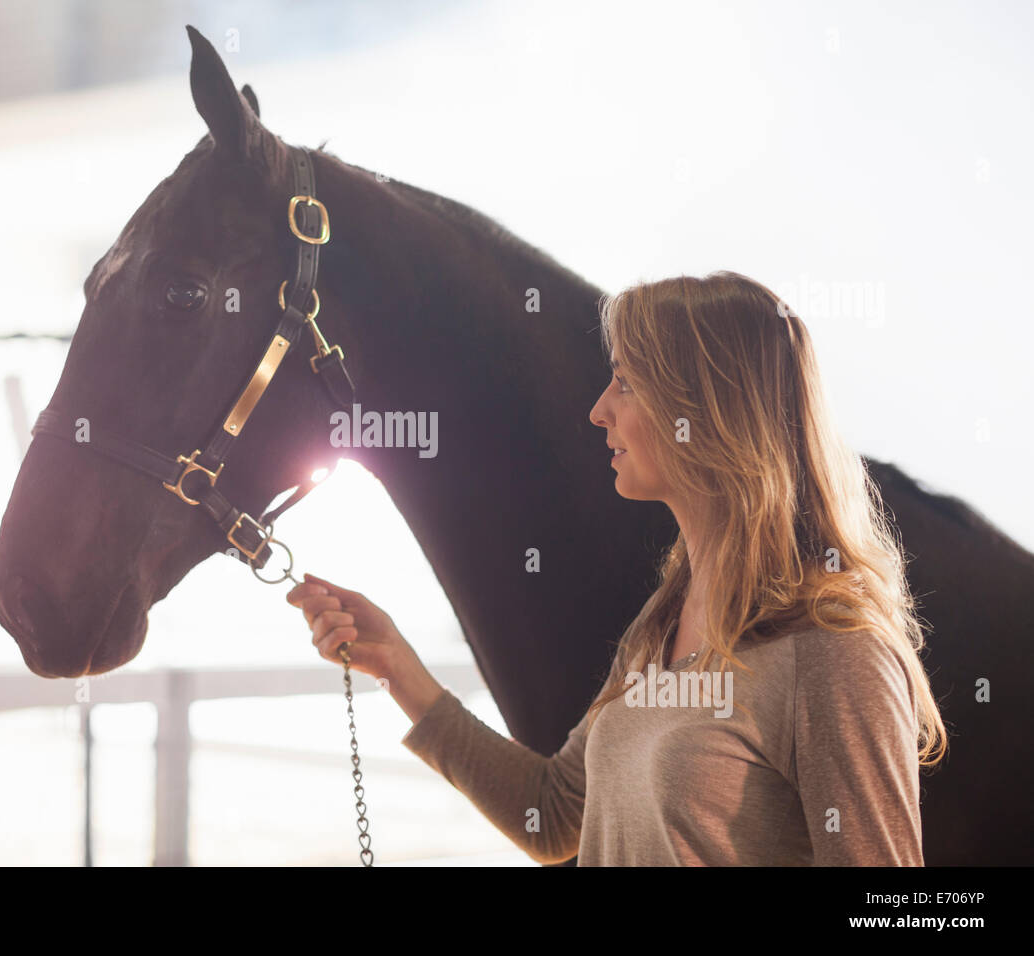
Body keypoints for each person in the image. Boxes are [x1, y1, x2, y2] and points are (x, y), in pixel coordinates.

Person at [286, 271, 946, 866]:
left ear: (707, 410)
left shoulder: (834, 655)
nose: (600, 409)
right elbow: (553, 814)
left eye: (627, 382)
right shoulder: (664, 623)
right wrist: (397, 666)